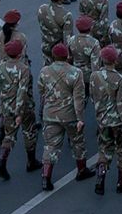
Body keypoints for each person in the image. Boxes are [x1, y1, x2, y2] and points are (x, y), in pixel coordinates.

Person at [37, 42, 93, 191]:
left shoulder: (44, 71)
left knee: (51, 146)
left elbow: (41, 91)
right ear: (67, 56)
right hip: (70, 115)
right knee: (77, 142)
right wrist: (80, 118)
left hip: (50, 114)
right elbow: (79, 98)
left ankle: (46, 177)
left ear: (53, 56)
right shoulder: (76, 72)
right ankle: (82, 170)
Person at [90, 46, 122, 195]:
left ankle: (100, 179)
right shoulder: (121, 79)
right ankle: (121, 182)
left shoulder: (94, 76)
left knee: (104, 150)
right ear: (115, 60)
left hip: (102, 120)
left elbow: (92, 97)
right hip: (117, 122)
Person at [0, 39, 39, 181]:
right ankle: (31, 161)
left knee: (9, 135)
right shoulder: (23, 69)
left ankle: (2, 161)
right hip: (23, 107)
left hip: (7, 106)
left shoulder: (1, 66)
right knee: (29, 132)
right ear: (20, 54)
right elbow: (22, 91)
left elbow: (0, 86)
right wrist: (19, 112)